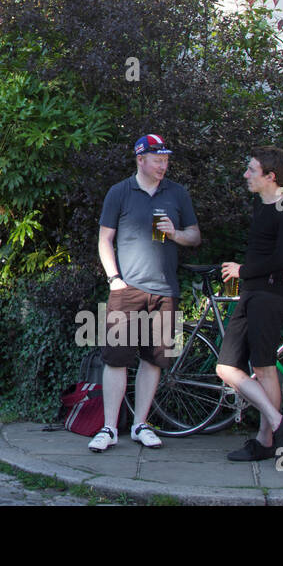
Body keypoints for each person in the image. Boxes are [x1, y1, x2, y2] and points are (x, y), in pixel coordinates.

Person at [93, 133, 201, 452]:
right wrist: (114, 278)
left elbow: (195, 236)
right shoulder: (119, 192)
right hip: (127, 289)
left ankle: (141, 424)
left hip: (165, 290)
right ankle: (109, 428)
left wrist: (176, 233)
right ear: (140, 160)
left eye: (166, 159)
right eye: (157, 159)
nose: (163, 165)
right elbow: (104, 239)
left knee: (154, 360)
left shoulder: (177, 194)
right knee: (115, 360)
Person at [217, 146, 283, 461]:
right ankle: (278, 423)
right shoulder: (261, 205)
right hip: (252, 294)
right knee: (226, 367)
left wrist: (244, 271)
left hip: (267, 295)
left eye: (252, 170)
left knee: (265, 369)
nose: (246, 175)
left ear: (271, 176)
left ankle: (267, 440)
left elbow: (281, 259)